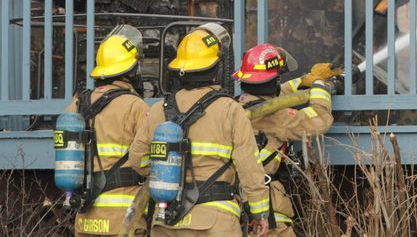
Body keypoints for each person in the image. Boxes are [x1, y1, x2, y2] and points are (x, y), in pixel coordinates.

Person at [128, 24, 269, 236]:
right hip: (214, 222)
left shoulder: (157, 110)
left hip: (167, 221)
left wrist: (168, 172)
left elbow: (137, 159)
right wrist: (259, 213)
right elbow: (249, 167)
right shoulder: (230, 109)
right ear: (215, 69)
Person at [235, 44, 336, 235]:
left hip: (237, 202)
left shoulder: (237, 105)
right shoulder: (276, 117)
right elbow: (320, 118)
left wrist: (304, 80)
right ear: (274, 81)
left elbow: (275, 97)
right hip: (267, 213)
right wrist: (320, 87)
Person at [65, 24, 149, 237]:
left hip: (85, 220)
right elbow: (151, 159)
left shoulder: (77, 102)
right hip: (122, 221)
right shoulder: (134, 106)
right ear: (130, 71)